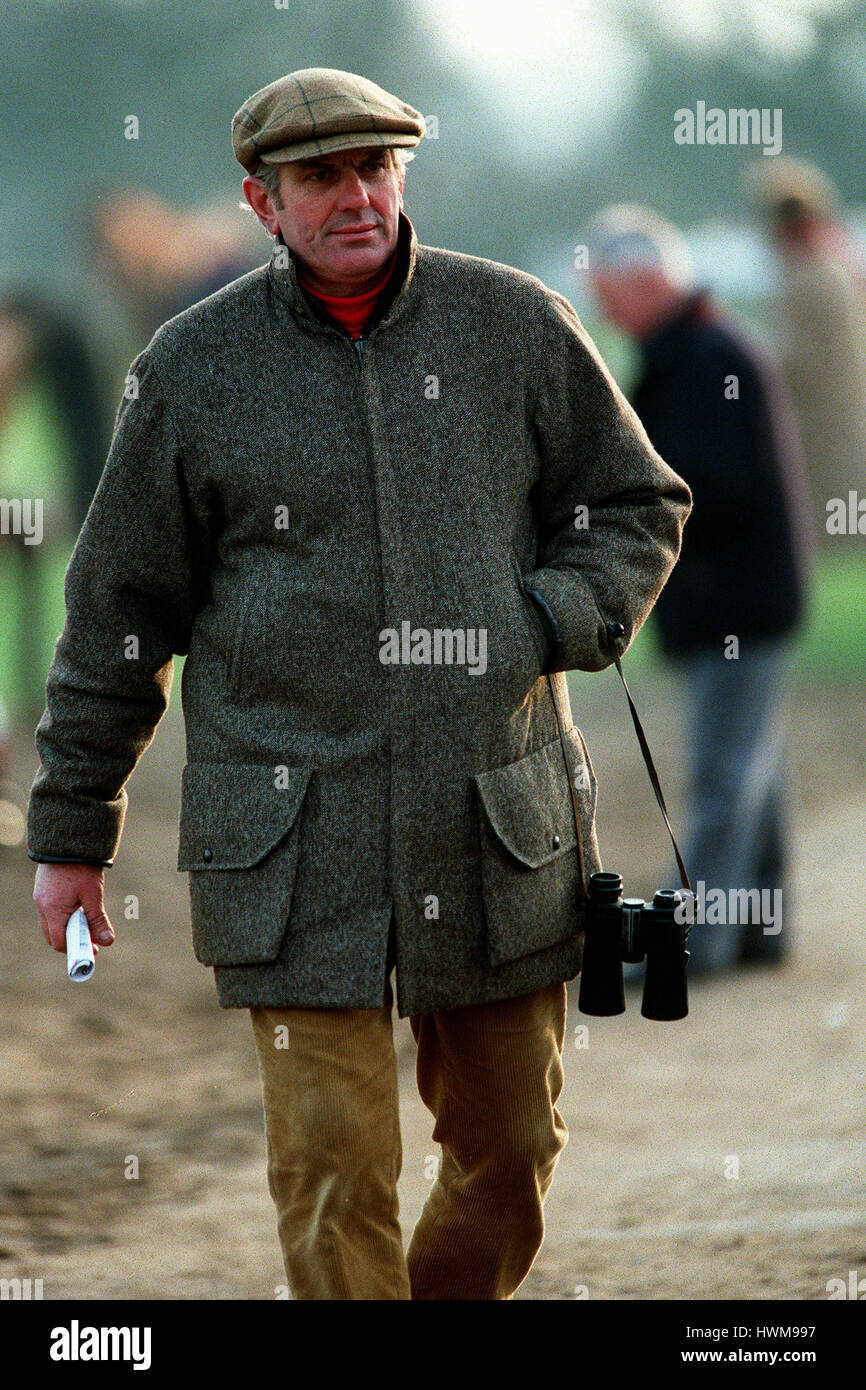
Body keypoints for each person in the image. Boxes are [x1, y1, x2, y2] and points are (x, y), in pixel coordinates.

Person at [27, 70, 691, 1300]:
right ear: (261, 201)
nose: (356, 195)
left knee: (510, 1152)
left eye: (376, 168)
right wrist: (71, 830)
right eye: (321, 176)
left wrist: (547, 617)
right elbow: (118, 615)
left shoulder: (516, 325)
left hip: (493, 825)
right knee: (334, 1176)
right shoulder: (191, 367)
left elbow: (635, 504)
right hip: (288, 839)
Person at [586, 204, 812, 976]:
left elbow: (713, 484)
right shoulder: (696, 347)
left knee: (724, 774)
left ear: (646, 281)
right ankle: (759, 928)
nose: (602, 309)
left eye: (609, 292)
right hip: (742, 599)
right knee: (753, 771)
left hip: (735, 604)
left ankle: (700, 944)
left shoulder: (707, 355)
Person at [745, 157, 866, 548]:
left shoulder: (808, 279)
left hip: (821, 428)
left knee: (825, 540)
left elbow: (798, 365)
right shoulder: (839, 269)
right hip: (846, 422)